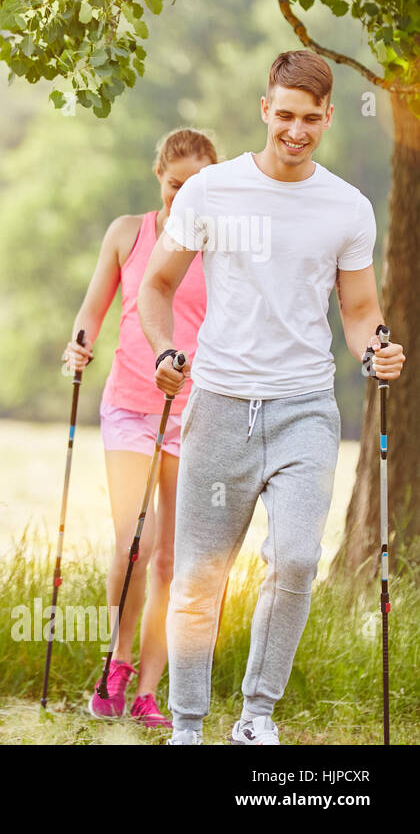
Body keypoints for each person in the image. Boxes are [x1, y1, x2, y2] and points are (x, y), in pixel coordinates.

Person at [140, 50, 405, 745]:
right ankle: (188, 724)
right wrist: (168, 351)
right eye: (283, 114)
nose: (295, 130)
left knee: (295, 559)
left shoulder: (347, 206)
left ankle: (256, 715)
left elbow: (357, 308)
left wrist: (377, 343)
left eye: (309, 118)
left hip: (304, 409)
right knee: (200, 575)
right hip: (221, 403)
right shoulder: (210, 191)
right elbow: (157, 286)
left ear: (329, 117)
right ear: (264, 109)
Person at [62, 128, 218, 729]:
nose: (185, 196)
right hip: (129, 403)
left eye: (197, 186)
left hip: (197, 413)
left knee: (172, 560)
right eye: (176, 184)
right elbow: (93, 308)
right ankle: (117, 660)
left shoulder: (220, 246)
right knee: (136, 542)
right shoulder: (129, 232)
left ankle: (152, 688)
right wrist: (78, 345)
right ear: (159, 174)